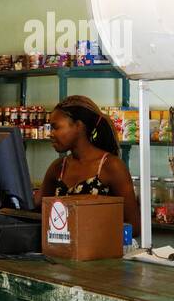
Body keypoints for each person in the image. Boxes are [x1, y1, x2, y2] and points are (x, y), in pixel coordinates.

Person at [37, 94, 140, 230]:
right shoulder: (58, 167)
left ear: (79, 126)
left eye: (56, 127)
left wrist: (94, 234)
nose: (51, 133)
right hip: (61, 249)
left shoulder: (111, 166)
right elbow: (37, 207)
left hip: (99, 248)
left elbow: (134, 226)